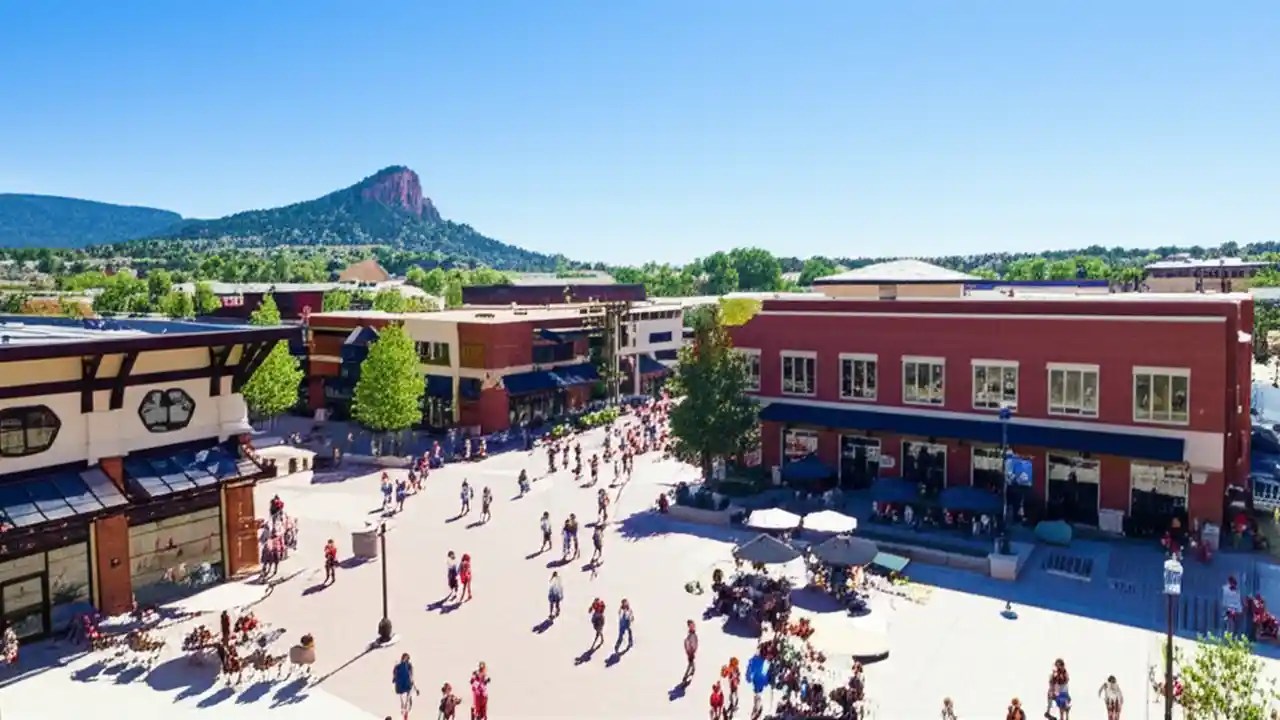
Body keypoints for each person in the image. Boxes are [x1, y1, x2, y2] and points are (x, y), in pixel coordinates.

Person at [392, 652, 418, 720]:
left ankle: (405, 715)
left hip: (406, 686)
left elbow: (411, 676)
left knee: (407, 703)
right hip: (401, 686)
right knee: (404, 704)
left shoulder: (408, 666)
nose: (406, 659)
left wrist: (415, 687)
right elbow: (395, 674)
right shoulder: (398, 666)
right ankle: (404, 715)